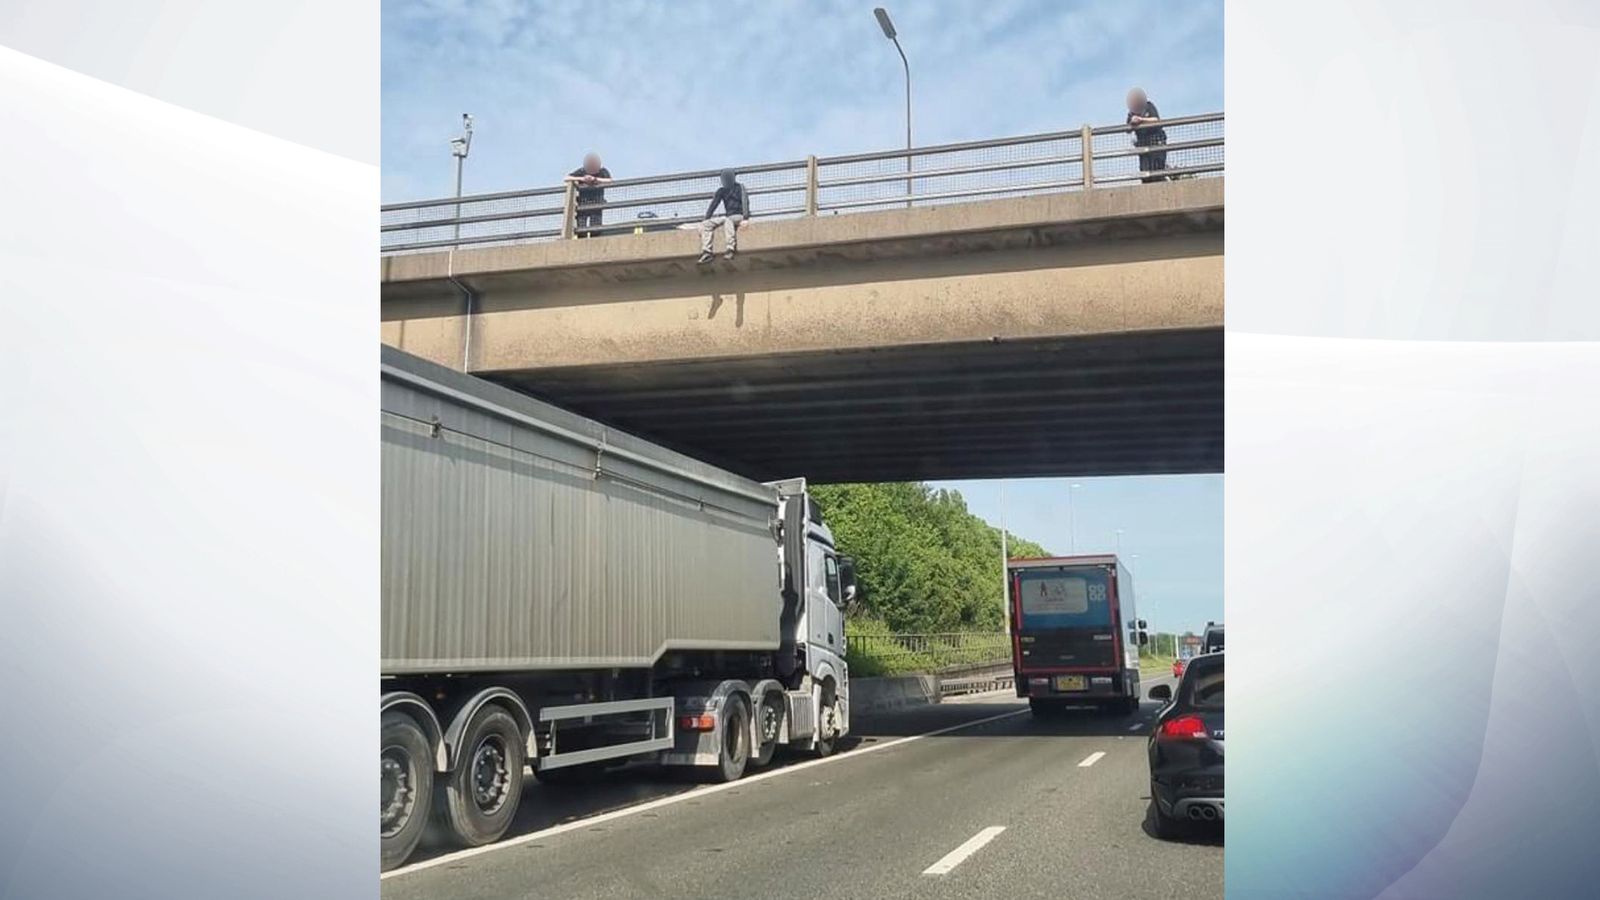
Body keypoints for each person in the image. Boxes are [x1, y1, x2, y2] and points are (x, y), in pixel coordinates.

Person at [698, 170, 750, 263]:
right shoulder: (721, 191)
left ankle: (730, 249)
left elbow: (745, 201)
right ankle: (707, 252)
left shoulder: (740, 187)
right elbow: (713, 205)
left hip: (739, 215)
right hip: (727, 217)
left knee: (728, 220)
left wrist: (745, 218)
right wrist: (705, 219)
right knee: (706, 224)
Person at [1125, 88, 1168, 183]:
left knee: (1157, 167)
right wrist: (1132, 123)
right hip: (1143, 145)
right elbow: (1127, 129)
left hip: (1157, 141)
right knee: (1144, 169)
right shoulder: (1131, 113)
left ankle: (1161, 182)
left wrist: (1141, 120)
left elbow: (1156, 120)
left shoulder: (1149, 106)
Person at [564, 153, 612, 238]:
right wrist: (582, 179)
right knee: (581, 227)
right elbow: (566, 178)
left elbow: (610, 180)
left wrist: (595, 179)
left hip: (597, 202)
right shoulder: (582, 171)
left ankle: (595, 241)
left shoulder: (602, 171)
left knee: (595, 227)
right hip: (583, 202)